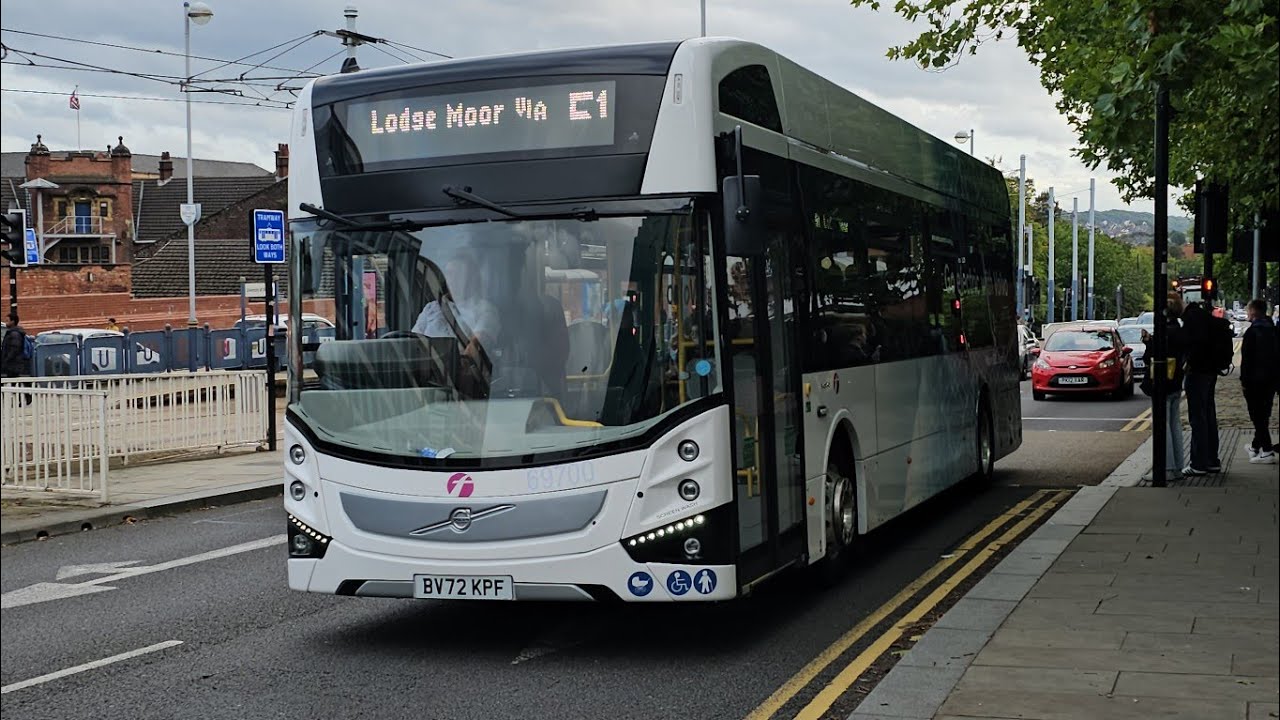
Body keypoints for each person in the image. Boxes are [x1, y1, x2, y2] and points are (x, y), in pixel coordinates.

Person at [412, 251, 499, 362]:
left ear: (472, 279)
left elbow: (478, 341)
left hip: (456, 374)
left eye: (459, 274)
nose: (453, 279)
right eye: (449, 273)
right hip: (427, 370)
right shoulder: (431, 308)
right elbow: (413, 342)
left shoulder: (485, 309)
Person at [1180, 300, 1223, 474]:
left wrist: (1187, 363)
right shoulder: (1206, 318)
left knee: (1197, 418)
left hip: (1198, 372)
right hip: (1211, 371)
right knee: (1209, 415)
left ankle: (1198, 463)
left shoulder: (1191, 320)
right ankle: (1212, 460)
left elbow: (1190, 345)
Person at [1239, 298, 1279, 464]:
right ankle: (1255, 447)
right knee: (1263, 413)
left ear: (1254, 311)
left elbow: (1246, 360)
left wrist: (1244, 380)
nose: (1247, 314)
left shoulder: (1252, 332)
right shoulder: (1274, 329)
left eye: (1248, 310)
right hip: (1271, 379)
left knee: (1257, 415)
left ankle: (1267, 451)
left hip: (1255, 380)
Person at [2, 311, 32, 379]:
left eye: (7, 321)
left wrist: (6, 360)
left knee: (12, 382)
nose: (6, 323)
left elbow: (15, 349)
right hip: (13, 364)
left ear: (12, 321)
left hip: (13, 365)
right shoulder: (13, 333)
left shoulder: (14, 334)